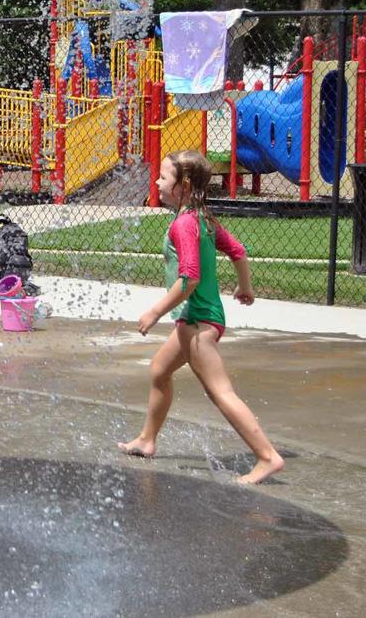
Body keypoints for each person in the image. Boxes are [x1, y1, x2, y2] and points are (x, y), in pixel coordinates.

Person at [118, 149, 285, 485]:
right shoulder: (202, 218)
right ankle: (147, 440)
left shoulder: (184, 223)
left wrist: (155, 311)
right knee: (159, 370)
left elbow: (190, 278)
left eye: (163, 177)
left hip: (197, 321)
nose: (157, 182)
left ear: (183, 186)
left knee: (220, 391)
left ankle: (268, 457)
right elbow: (238, 251)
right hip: (197, 319)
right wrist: (245, 287)